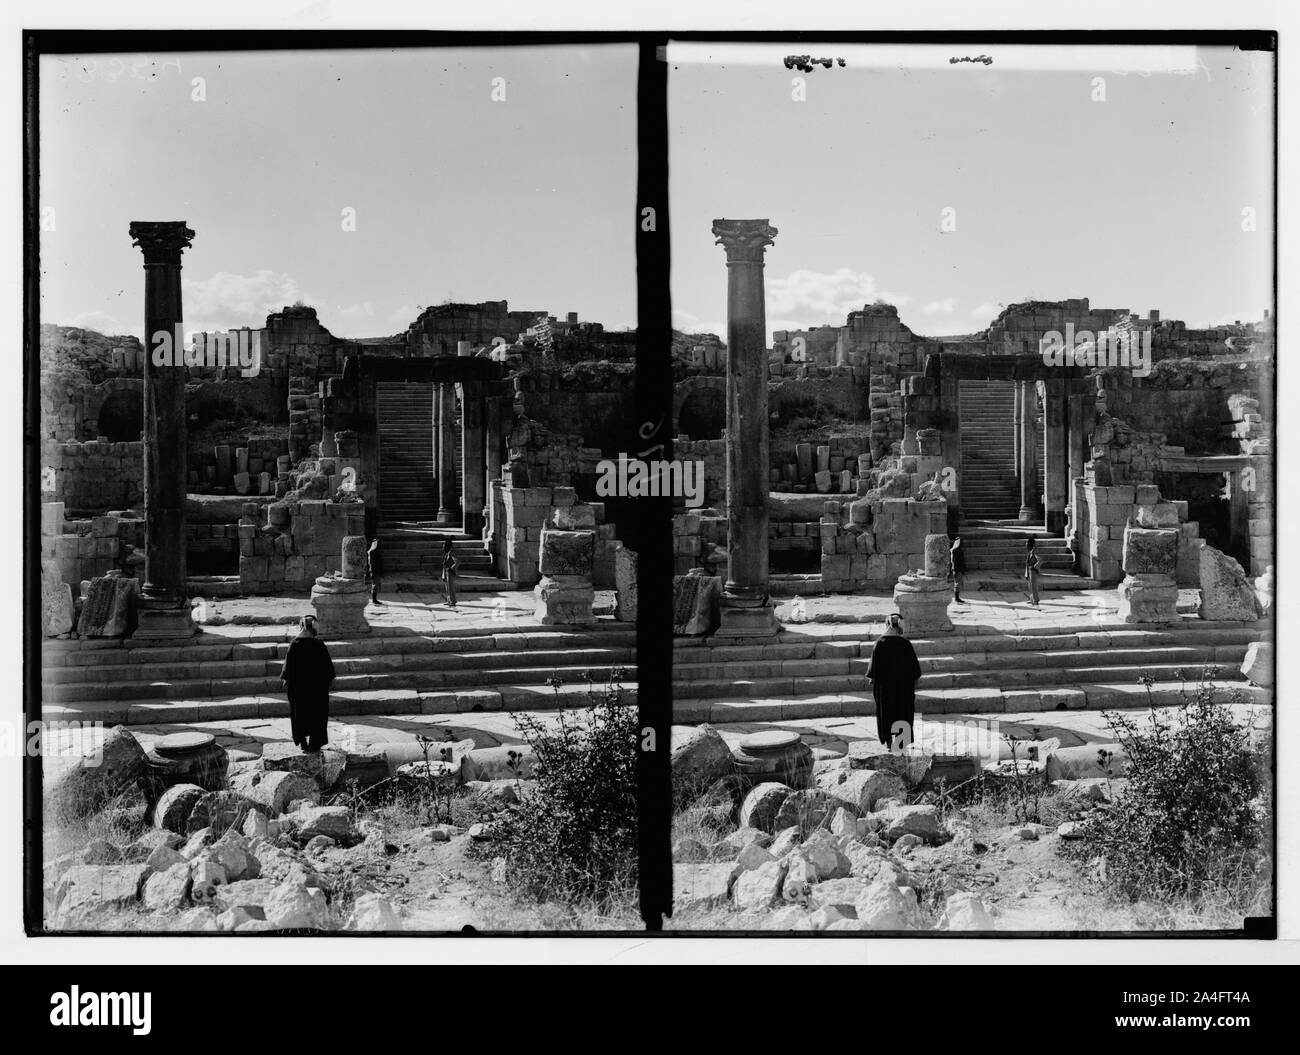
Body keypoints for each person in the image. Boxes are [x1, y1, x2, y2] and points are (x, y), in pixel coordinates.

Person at [866, 613, 922, 751]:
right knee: (903, 713)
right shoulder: (905, 644)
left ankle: (889, 742)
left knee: (886, 714)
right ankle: (901, 743)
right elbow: (916, 671)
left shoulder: (879, 644)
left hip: (885, 691)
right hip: (903, 690)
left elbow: (872, 673)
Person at [280, 615, 335, 752]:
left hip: (299, 693)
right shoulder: (319, 645)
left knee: (300, 716)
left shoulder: (294, 645)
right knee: (317, 716)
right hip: (317, 691)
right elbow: (329, 672)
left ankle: (303, 742)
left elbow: (287, 672)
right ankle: (314, 744)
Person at [441, 537, 459, 608]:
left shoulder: (452, 553)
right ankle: (449, 600)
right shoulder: (447, 554)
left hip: (450, 573)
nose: (443, 547)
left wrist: (452, 568)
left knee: (451, 587)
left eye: (444, 546)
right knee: (447, 588)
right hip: (445, 572)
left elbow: (457, 562)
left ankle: (453, 601)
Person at [1024, 537, 1042, 606]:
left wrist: (1034, 567)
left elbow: (1040, 560)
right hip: (1029, 570)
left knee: (1034, 586)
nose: (1026, 546)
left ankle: (1035, 600)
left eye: (1027, 544)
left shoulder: (1035, 552)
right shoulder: (1029, 552)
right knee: (1030, 586)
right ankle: (1031, 598)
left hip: (1033, 571)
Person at [949, 534, 966, 604]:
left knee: (958, 583)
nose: (962, 543)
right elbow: (954, 561)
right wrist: (954, 570)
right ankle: (956, 598)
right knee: (957, 583)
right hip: (957, 569)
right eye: (961, 542)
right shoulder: (955, 551)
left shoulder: (959, 550)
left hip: (959, 569)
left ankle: (957, 597)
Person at [367, 536, 383, 605]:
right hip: (374, 571)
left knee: (376, 585)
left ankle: (375, 599)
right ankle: (374, 600)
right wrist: (372, 572)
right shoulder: (372, 552)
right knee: (375, 585)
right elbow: (371, 563)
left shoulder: (375, 551)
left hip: (376, 570)